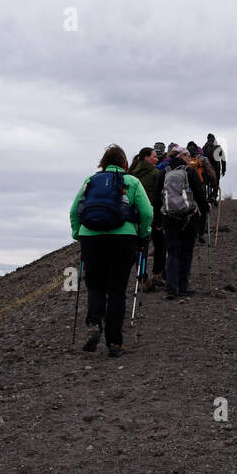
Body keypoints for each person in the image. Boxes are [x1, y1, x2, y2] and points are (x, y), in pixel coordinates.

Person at [70, 144, 154, 357]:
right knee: (117, 290)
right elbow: (147, 212)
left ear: (103, 163)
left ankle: (94, 324)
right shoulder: (132, 181)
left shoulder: (91, 181)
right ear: (124, 164)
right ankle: (114, 343)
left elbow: (74, 210)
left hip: (91, 238)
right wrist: (143, 233)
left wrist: (77, 233)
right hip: (123, 238)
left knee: (95, 285)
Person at [159, 148, 208, 300]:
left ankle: (170, 288)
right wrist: (205, 209)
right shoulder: (190, 172)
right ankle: (182, 286)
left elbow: (156, 197)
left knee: (172, 252)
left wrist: (157, 220)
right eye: (187, 155)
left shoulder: (164, 172)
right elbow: (199, 195)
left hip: (168, 217)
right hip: (189, 217)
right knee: (186, 251)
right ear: (181, 156)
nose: (189, 157)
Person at [128, 147, 166, 290]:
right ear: (146, 158)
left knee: (140, 248)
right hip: (152, 214)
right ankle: (157, 274)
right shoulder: (157, 173)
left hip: (133, 216)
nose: (157, 159)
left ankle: (142, 278)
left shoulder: (131, 173)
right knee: (160, 244)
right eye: (154, 157)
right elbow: (160, 197)